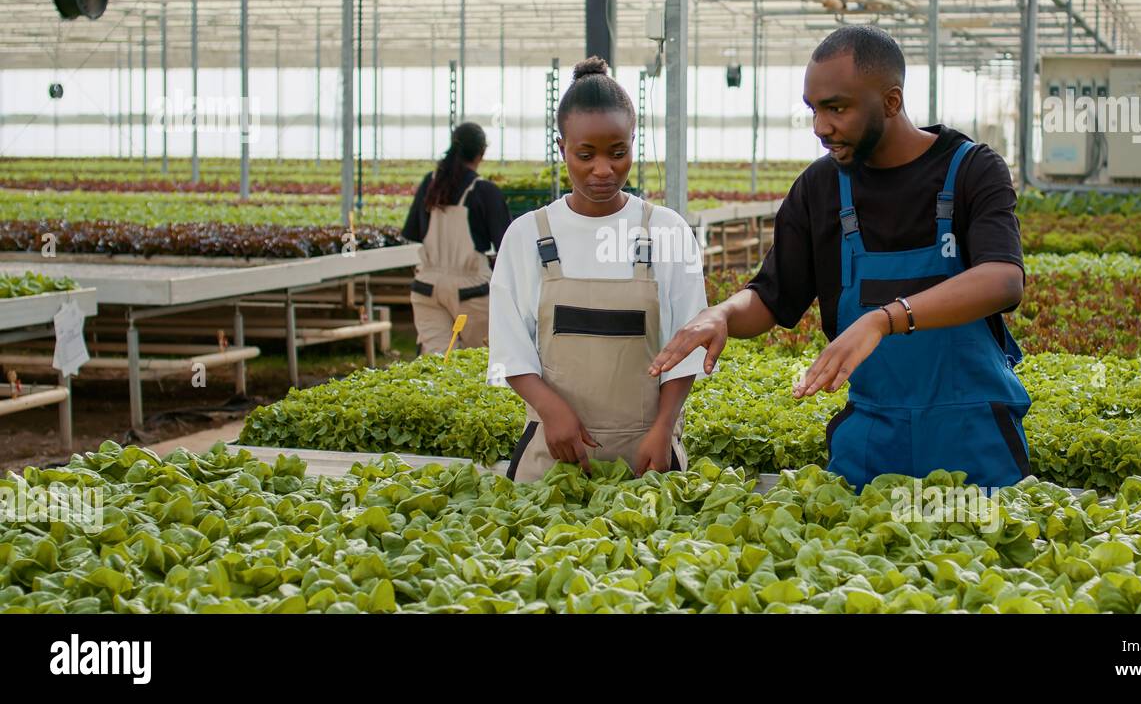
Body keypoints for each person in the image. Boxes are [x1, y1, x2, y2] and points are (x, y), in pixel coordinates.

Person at [651, 25, 1032, 492]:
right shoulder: (820, 188)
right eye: (813, 110)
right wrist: (723, 314)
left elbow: (1002, 279)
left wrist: (884, 319)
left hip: (975, 440)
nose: (820, 127)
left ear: (891, 102)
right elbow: (773, 297)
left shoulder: (973, 170)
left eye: (837, 108)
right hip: (873, 441)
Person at [488, 57, 707, 482]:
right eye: (585, 154)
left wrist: (663, 429)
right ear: (561, 148)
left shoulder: (666, 230)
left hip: (648, 455)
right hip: (554, 454)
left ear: (633, 142)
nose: (603, 170)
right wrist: (552, 412)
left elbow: (687, 346)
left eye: (618, 153)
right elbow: (509, 349)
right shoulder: (528, 236)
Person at [402, 121, 510, 355]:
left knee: (439, 363)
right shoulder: (483, 191)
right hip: (470, 290)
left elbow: (413, 232)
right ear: (481, 152)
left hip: (427, 288)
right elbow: (506, 246)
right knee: (483, 358)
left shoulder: (431, 184)